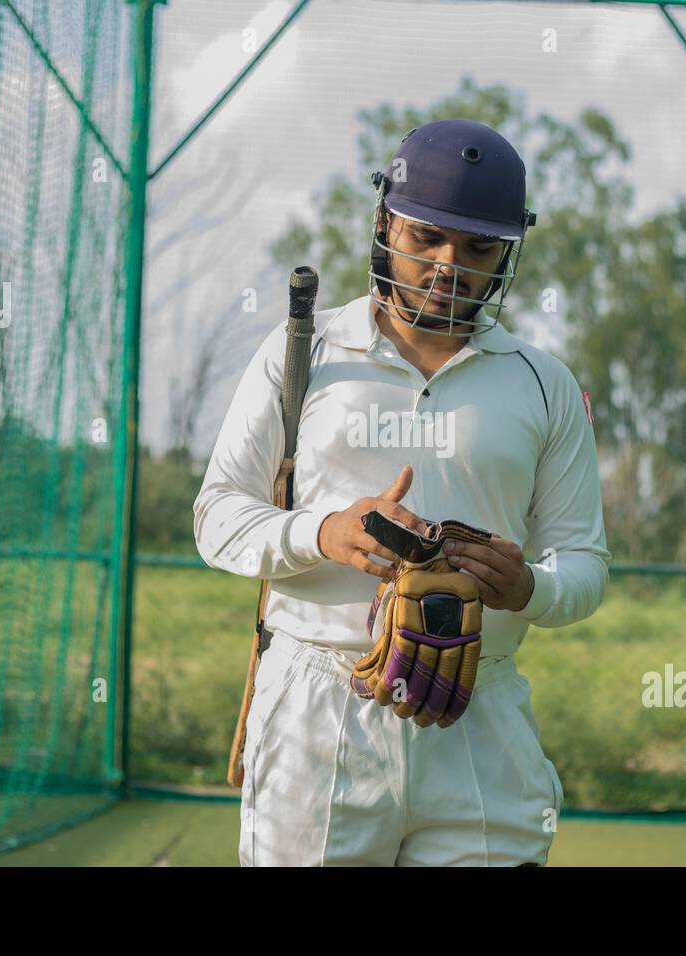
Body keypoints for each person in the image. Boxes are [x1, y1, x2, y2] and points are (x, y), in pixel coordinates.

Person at [193, 118, 610, 866]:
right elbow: (217, 517)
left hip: (479, 713)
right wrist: (322, 533)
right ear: (386, 223)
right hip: (318, 713)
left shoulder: (543, 383)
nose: (450, 266)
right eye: (427, 239)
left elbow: (585, 563)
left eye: (478, 248)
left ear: (506, 254)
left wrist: (528, 588)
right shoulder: (305, 352)